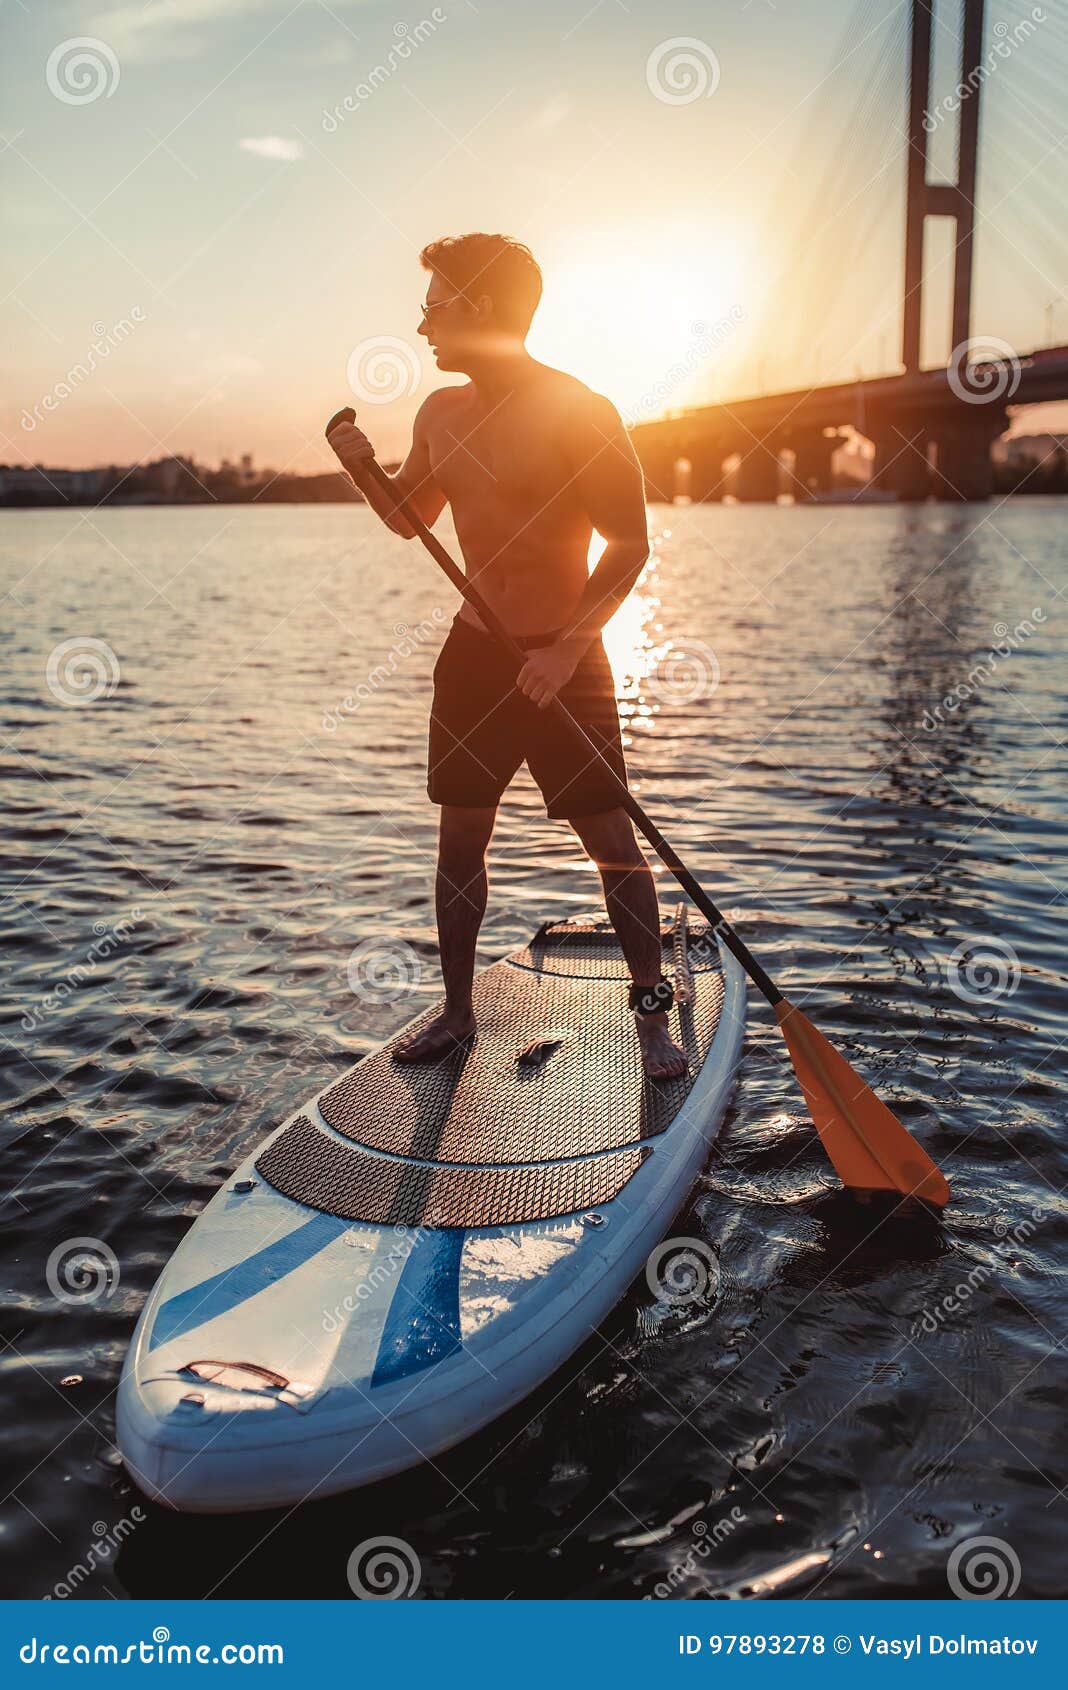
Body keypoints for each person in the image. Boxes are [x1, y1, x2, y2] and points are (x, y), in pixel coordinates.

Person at [327, 232, 687, 1079]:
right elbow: (409, 519)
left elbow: (630, 544)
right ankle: (456, 1014)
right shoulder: (440, 414)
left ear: (480, 309)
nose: (423, 327)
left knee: (611, 842)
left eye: (436, 305)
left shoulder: (580, 410)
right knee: (460, 844)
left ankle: (650, 1017)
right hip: (476, 659)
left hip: (565, 659)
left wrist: (568, 647)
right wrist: (362, 469)